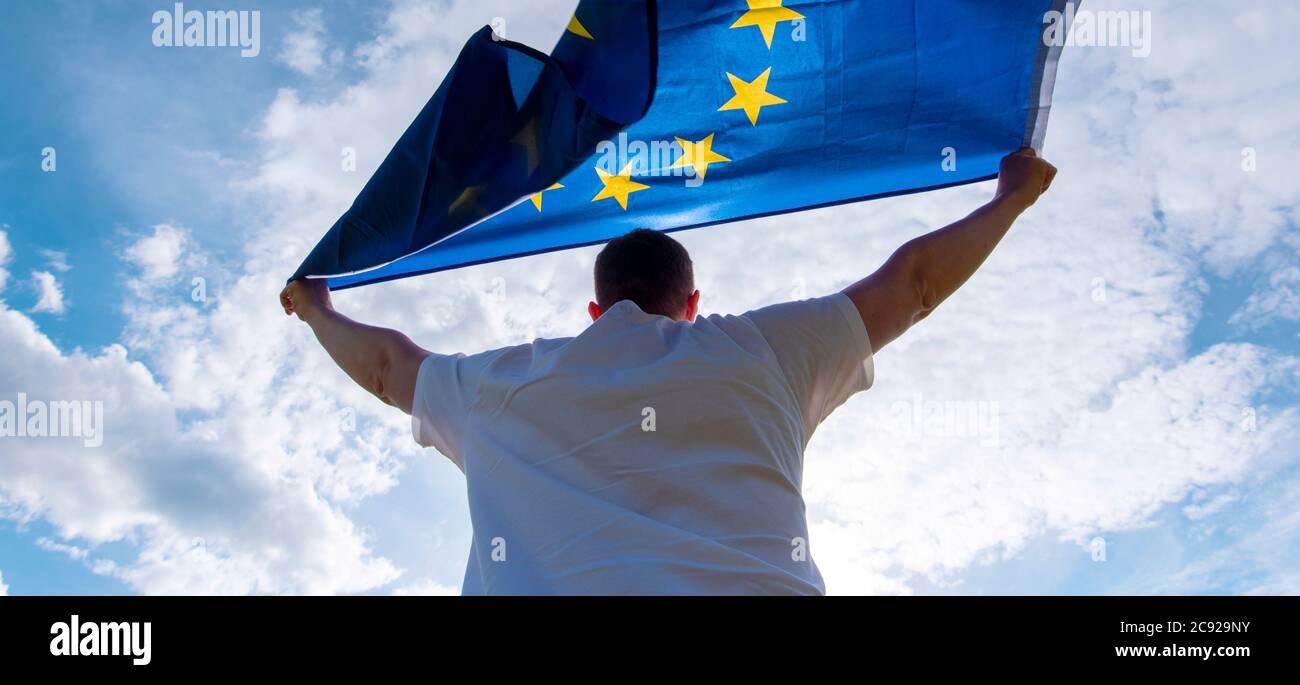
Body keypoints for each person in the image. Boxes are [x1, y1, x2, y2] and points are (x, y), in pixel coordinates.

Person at [280, 147, 1056, 594]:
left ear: (596, 307)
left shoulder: (496, 386)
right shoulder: (763, 351)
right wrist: (1011, 198)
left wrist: (318, 307)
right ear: (691, 302)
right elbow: (911, 284)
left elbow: (388, 366)